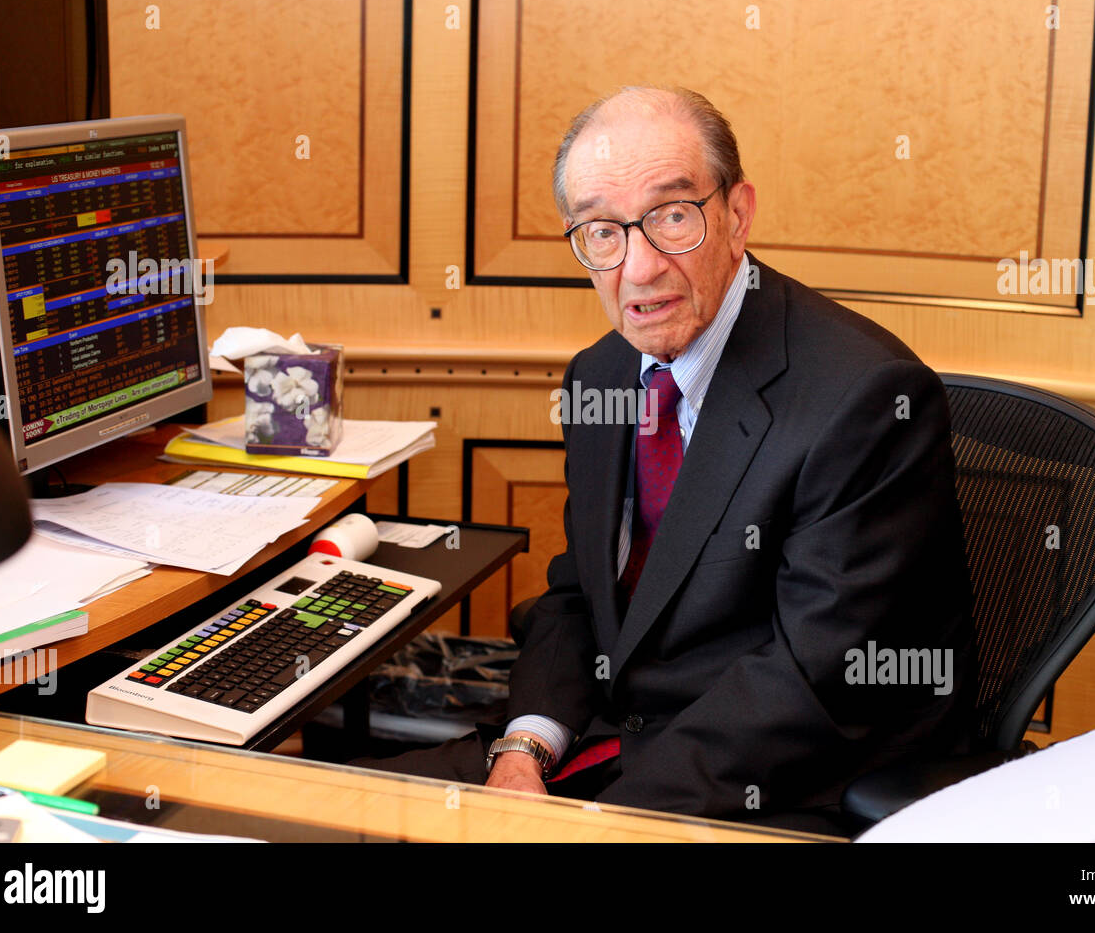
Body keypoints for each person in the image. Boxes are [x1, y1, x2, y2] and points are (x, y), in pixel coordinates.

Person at [357, 86, 975, 836]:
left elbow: (819, 679)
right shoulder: (602, 376)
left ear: (738, 214)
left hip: (770, 785)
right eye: (601, 232)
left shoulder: (863, 397)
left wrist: (593, 826)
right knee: (319, 818)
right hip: (598, 747)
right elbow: (581, 595)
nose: (639, 268)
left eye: (673, 217)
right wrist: (524, 751)